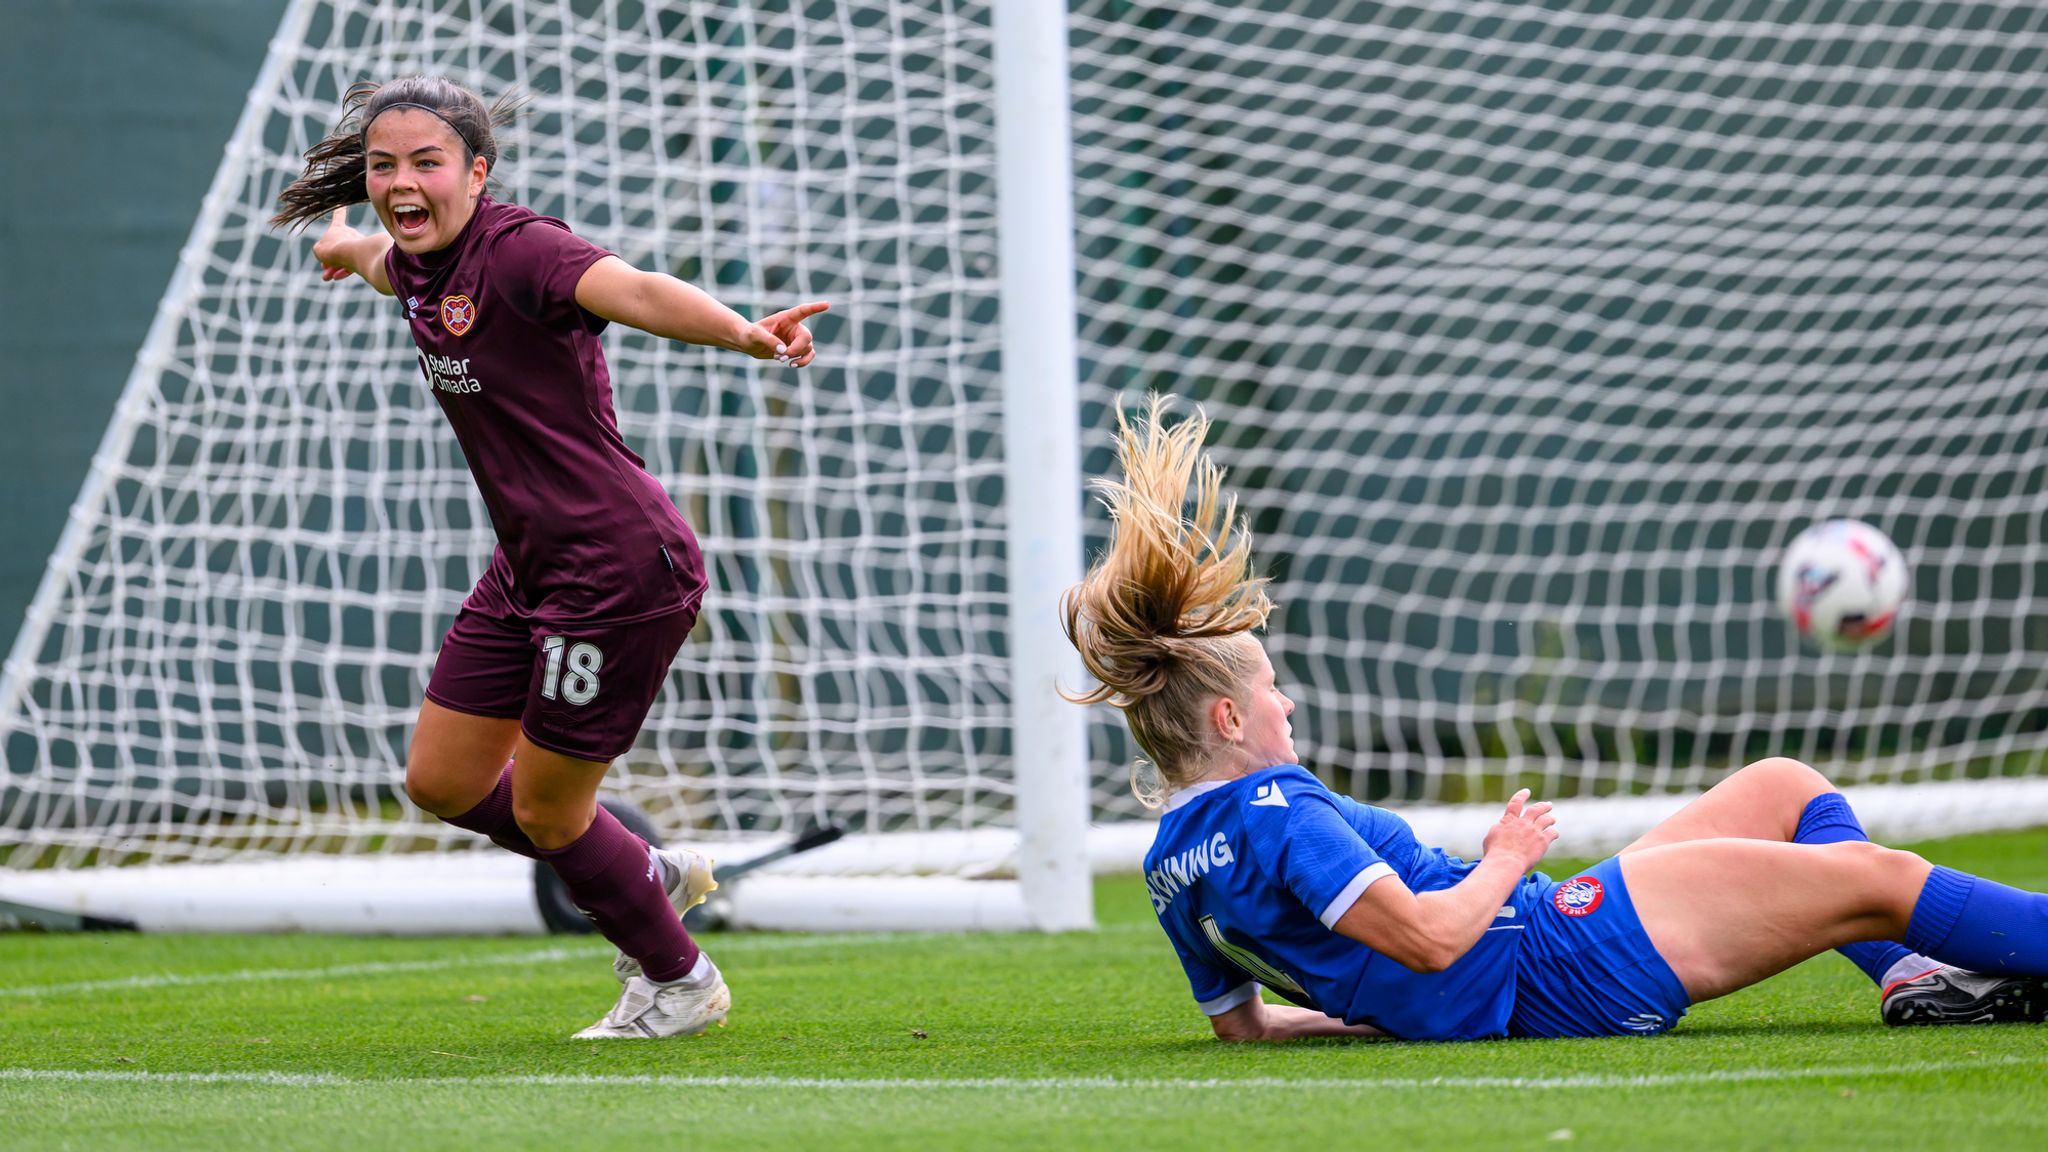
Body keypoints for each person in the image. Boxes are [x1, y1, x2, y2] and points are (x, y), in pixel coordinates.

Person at [1062, 395, 2048, 1042]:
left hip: (1531, 962)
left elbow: (1244, 1028)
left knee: (1784, 787)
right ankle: (1937, 954)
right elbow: (1430, 940)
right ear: (1230, 714)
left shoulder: (1171, 862)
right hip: (1553, 960)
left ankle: (1910, 976)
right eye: (1272, 689)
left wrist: (1372, 1019)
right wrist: (1505, 853)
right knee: (1875, 877)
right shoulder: (1275, 807)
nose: (1286, 704)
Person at [272, 75, 828, 1040]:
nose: (402, 182)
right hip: (527, 567)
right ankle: (639, 869)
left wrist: (743, 333)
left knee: (547, 811)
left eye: (427, 163)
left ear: (478, 173)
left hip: (616, 569)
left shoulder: (525, 249)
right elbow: (367, 253)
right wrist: (340, 243)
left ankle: (680, 981)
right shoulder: (406, 259)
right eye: (382, 166)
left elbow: (640, 289)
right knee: (443, 782)